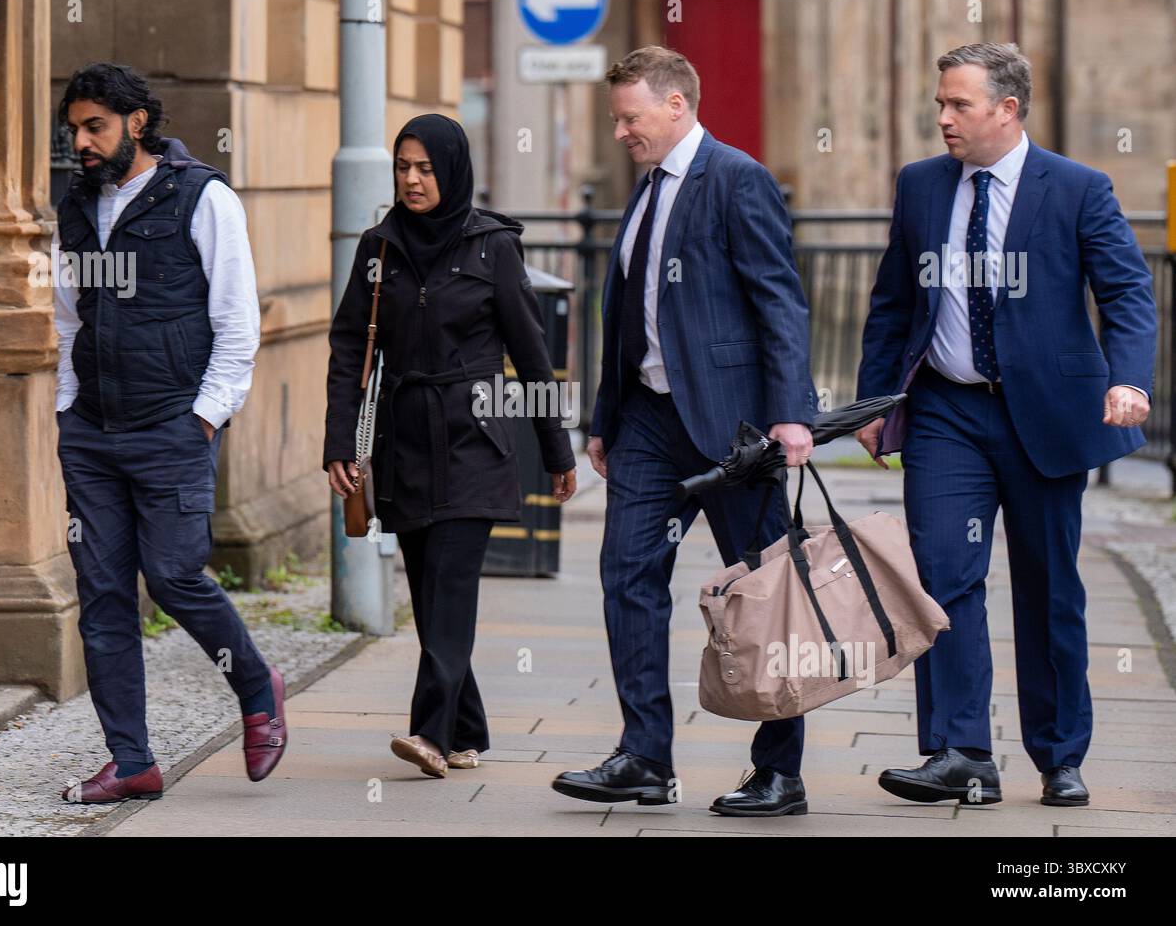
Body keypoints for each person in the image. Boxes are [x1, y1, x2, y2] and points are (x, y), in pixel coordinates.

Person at [855, 43, 1157, 808]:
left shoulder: (1079, 188)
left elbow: (1126, 292)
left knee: (1049, 587)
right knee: (944, 578)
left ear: (1007, 109)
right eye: (940, 103)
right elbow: (893, 301)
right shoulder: (922, 185)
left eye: (958, 104)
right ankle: (960, 752)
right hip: (947, 413)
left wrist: (1127, 379)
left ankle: (1059, 755)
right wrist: (874, 402)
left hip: (1045, 418)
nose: (943, 117)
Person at [550, 47, 819, 817]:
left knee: (765, 595)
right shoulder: (643, 191)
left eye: (630, 117)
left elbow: (781, 304)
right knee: (628, 578)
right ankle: (644, 757)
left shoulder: (738, 179)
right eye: (615, 119)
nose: (621, 132)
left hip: (733, 430)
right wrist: (606, 419)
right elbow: (625, 318)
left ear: (676, 105)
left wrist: (791, 412)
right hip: (647, 424)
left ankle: (780, 773)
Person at [53, 63, 285, 803]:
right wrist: (66, 406)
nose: (82, 143)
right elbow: (66, 314)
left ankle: (256, 684)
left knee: (177, 575)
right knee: (102, 596)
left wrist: (204, 417)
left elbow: (237, 321)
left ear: (137, 123)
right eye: (75, 129)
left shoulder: (202, 196)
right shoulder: (75, 205)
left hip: (171, 424)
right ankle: (132, 761)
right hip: (91, 431)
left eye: (95, 127)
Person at [323, 114, 577, 779]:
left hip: (475, 436)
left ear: (452, 170)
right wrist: (340, 442)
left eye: (424, 169)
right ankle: (467, 731)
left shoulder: (493, 246)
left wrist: (557, 450)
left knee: (452, 586)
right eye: (402, 168)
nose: (411, 180)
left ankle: (429, 732)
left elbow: (531, 351)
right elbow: (351, 348)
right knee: (432, 593)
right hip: (404, 440)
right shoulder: (379, 247)